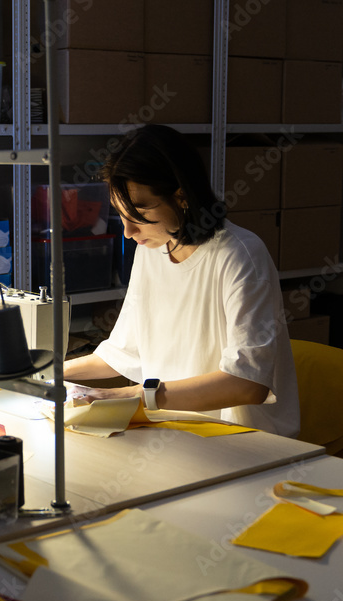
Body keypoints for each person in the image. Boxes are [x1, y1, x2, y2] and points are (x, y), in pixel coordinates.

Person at [64, 124, 299, 438]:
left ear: (182, 197)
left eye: (139, 214)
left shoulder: (240, 255)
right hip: (172, 430)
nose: (128, 232)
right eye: (120, 214)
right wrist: (48, 372)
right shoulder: (153, 249)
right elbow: (123, 352)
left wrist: (126, 395)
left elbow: (247, 384)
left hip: (238, 439)